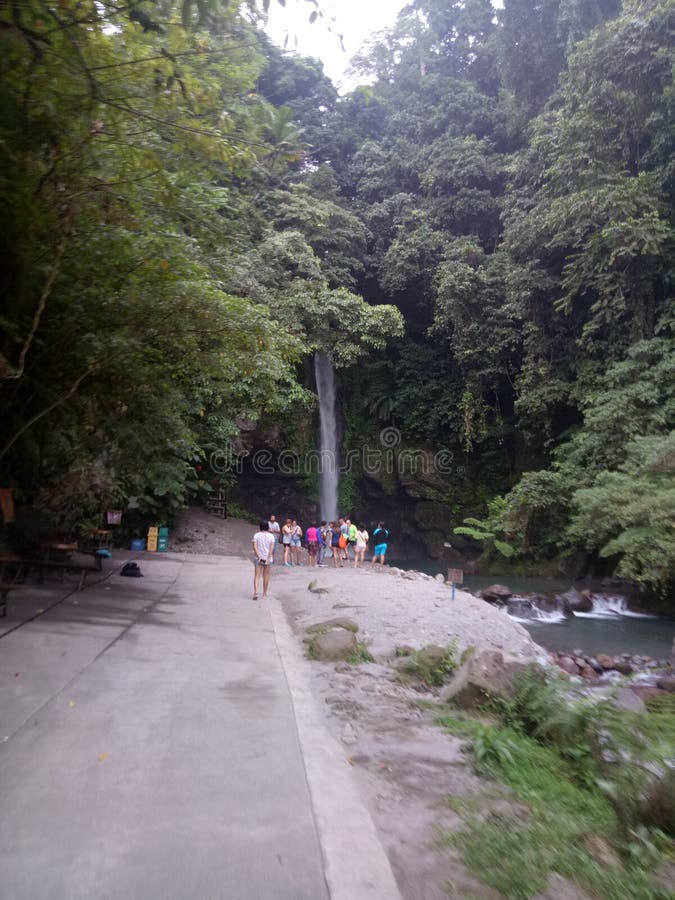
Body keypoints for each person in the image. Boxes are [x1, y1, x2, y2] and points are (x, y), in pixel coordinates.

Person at [252, 521, 275, 600]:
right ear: (267, 527)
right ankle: (265, 593)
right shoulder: (271, 536)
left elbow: (254, 547)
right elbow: (271, 548)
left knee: (257, 575)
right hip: (268, 559)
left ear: (260, 527)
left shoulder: (256, 535)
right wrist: (268, 557)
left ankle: (256, 592)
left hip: (258, 558)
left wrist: (259, 556)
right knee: (266, 576)